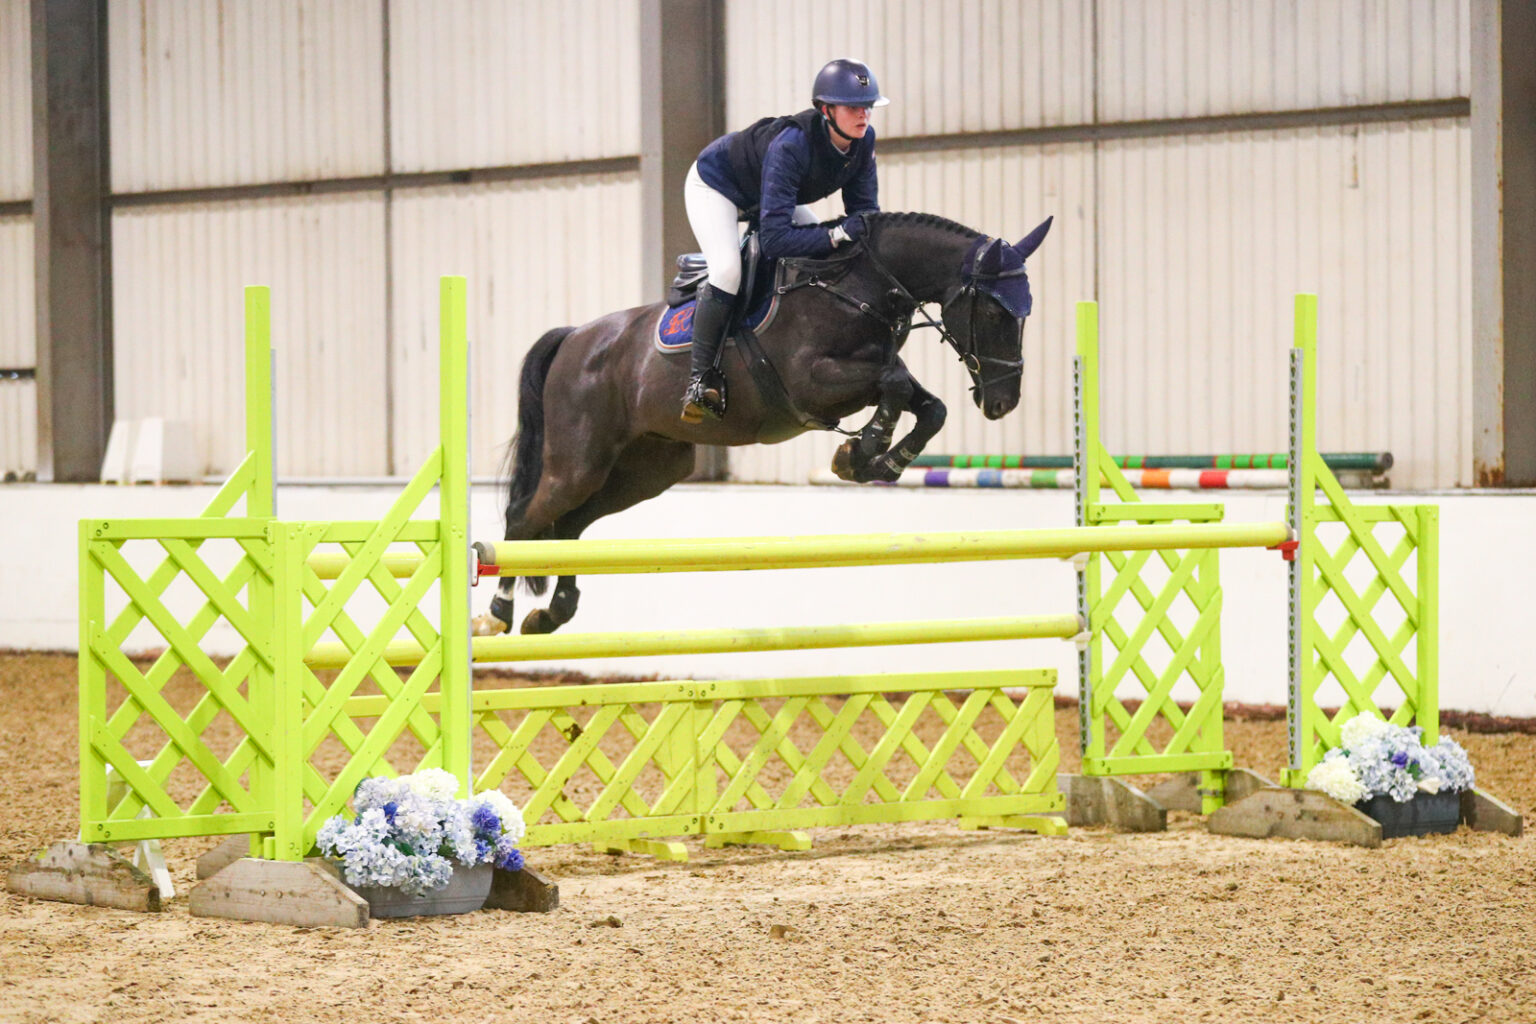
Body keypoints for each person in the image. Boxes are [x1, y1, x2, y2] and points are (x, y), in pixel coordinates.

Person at [680, 58, 889, 422]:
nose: (863, 115)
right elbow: (777, 240)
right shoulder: (792, 145)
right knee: (728, 270)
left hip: (768, 197)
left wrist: (854, 237)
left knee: (824, 255)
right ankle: (700, 379)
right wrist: (836, 233)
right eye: (854, 107)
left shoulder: (862, 141)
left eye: (868, 107)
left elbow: (864, 215)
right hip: (717, 186)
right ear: (826, 110)